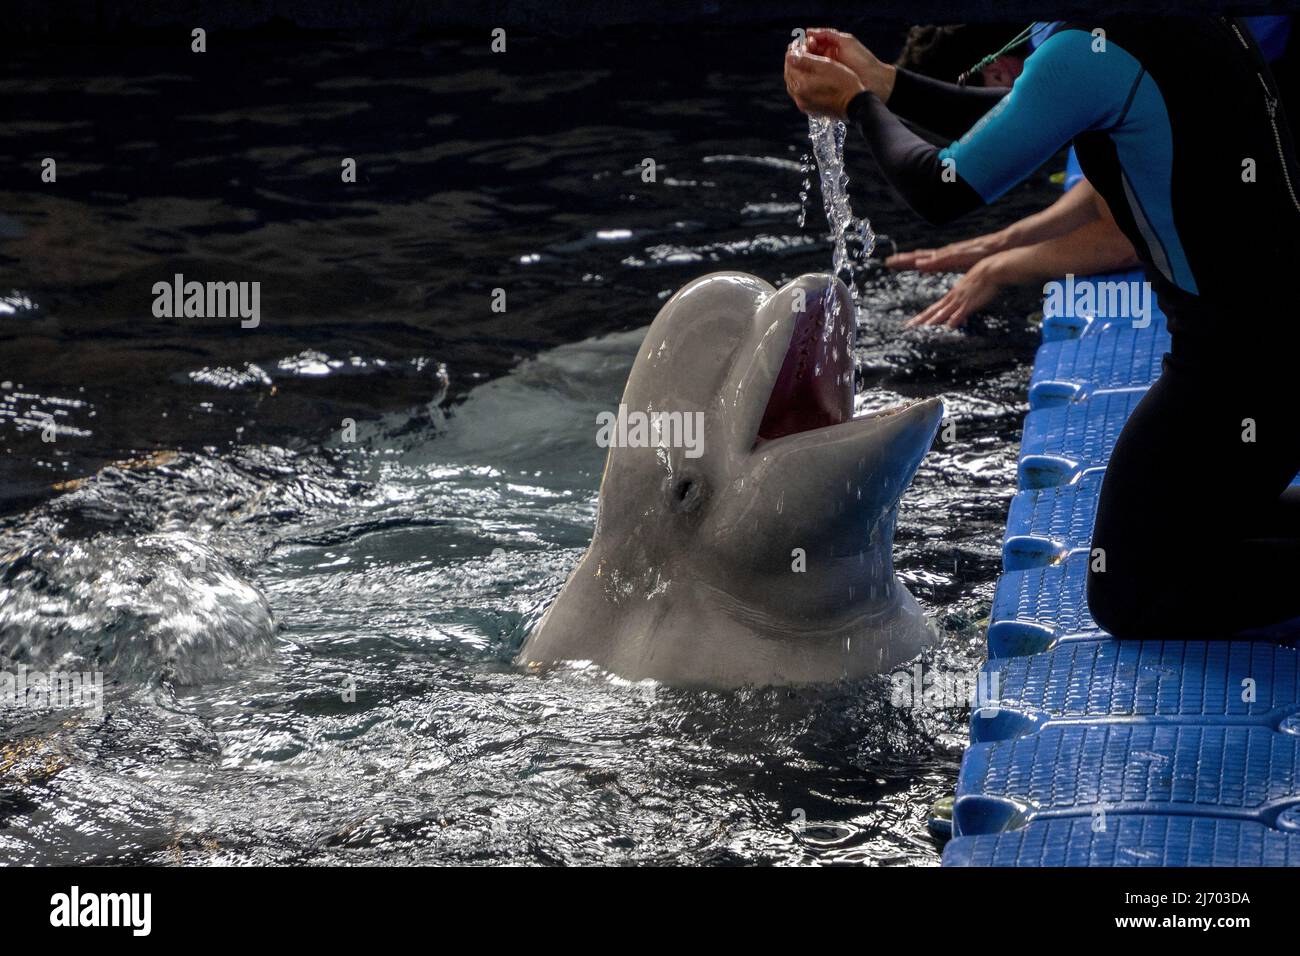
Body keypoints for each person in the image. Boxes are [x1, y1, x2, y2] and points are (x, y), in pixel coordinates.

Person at [784, 19, 1300, 640]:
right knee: (1196, 526)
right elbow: (1034, 111)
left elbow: (939, 189)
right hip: (1269, 343)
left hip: (1244, 366)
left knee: (1129, 594)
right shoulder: (1151, 26)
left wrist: (857, 105)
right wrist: (886, 84)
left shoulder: (1085, 51)